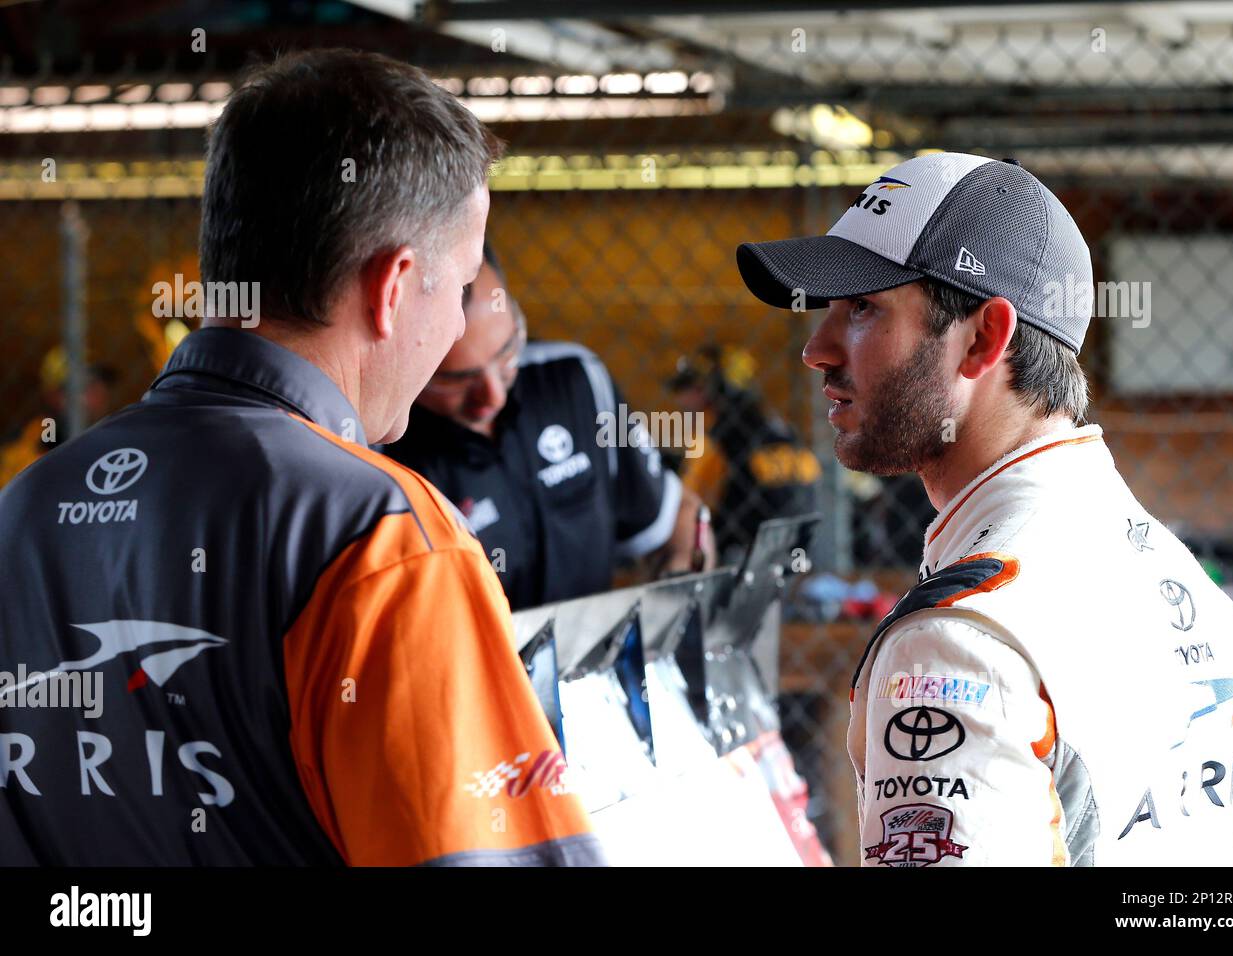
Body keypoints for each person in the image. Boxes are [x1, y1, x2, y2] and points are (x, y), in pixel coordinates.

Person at [0, 49, 600, 866]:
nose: (460, 327)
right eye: (460, 289)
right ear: (393, 288)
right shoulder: (385, 540)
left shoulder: (27, 507)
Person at [736, 151, 1233, 866]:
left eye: (863, 308)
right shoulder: (1179, 576)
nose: (816, 349)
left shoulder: (959, 640)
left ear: (983, 339)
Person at [385, 243, 713, 610]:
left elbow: (677, 515)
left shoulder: (575, 380)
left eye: (507, 354)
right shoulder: (378, 447)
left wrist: (680, 582)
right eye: (457, 380)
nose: (493, 395)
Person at [667, 345, 820, 564]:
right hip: (796, 554)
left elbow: (686, 508)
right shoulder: (783, 432)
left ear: (710, 391)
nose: (680, 400)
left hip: (736, 558)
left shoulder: (716, 442)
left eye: (687, 387)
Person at [0, 347, 117, 488]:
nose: (101, 393)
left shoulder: (107, 437)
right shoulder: (34, 441)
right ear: (55, 395)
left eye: (102, 384)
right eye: (88, 386)